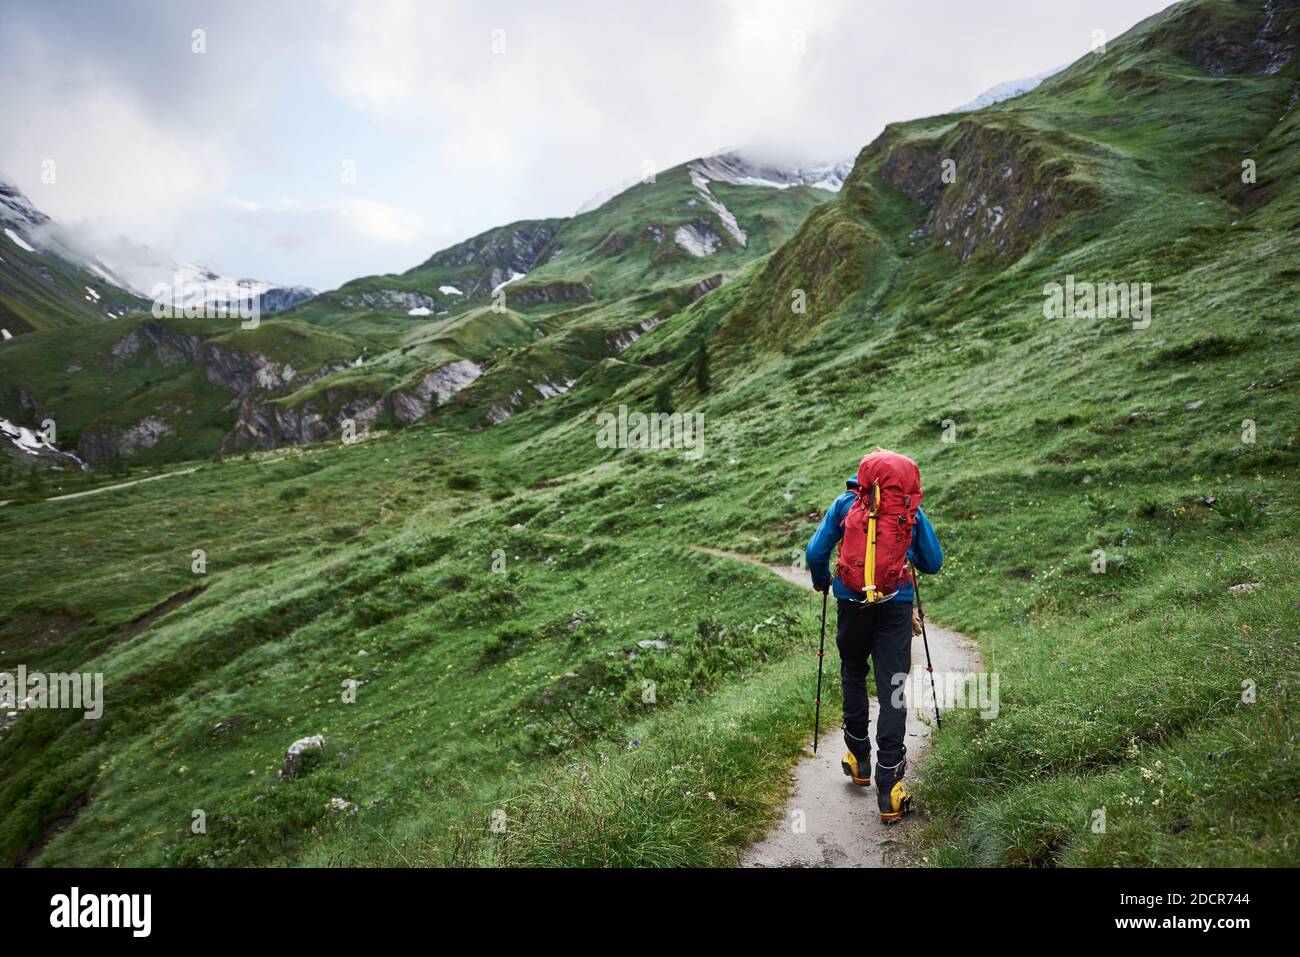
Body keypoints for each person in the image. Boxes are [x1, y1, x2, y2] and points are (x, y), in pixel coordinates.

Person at [805, 455, 942, 823]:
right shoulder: (910, 510)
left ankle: (858, 757)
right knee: (893, 687)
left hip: (852, 604)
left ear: (864, 476)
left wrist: (822, 580)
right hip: (895, 606)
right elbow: (932, 562)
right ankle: (889, 786)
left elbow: (815, 552)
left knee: (853, 670)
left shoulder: (846, 503)